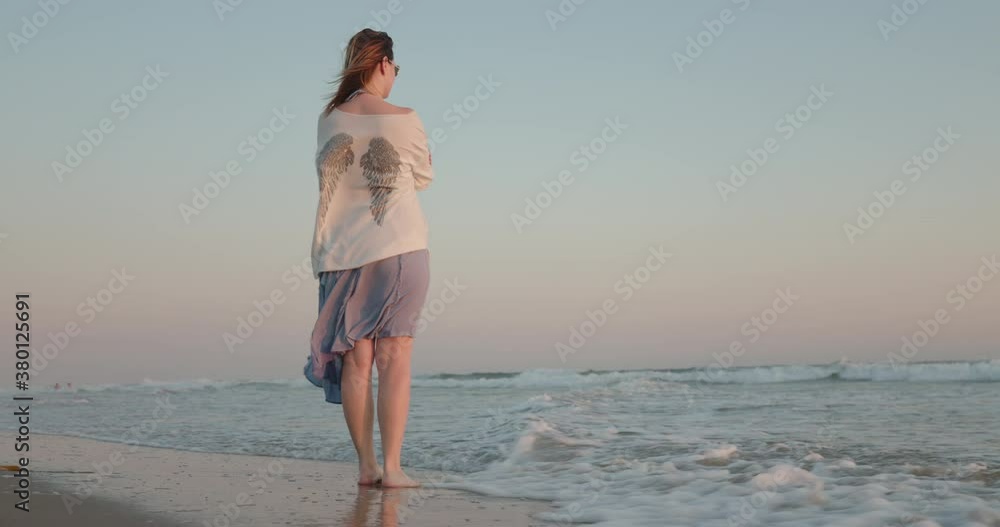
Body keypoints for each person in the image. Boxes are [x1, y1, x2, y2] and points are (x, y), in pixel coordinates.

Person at [303, 28, 433, 489]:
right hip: (398, 248)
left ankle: (367, 467)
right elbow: (423, 175)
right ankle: (394, 468)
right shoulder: (405, 118)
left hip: (339, 254)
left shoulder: (327, 119)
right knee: (395, 355)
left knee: (357, 363)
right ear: (384, 65)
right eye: (396, 68)